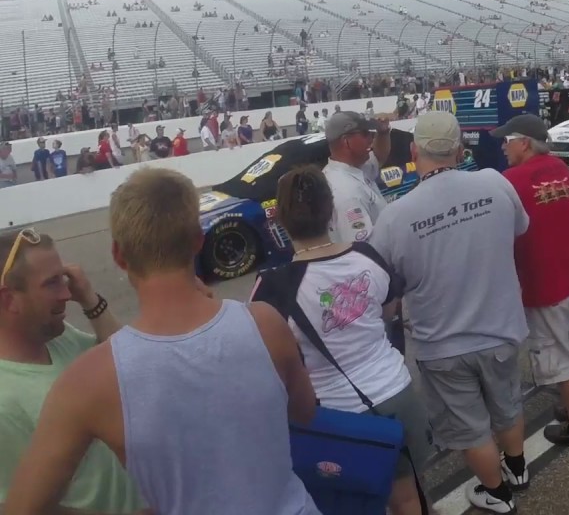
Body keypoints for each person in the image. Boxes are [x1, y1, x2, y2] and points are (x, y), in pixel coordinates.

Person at [6, 168, 320, 515]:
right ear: (198, 241)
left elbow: (22, 508)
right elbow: (304, 411)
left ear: (119, 255)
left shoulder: (86, 382)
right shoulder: (265, 323)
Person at [370, 111, 530, 514]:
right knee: (507, 405)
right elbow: (519, 227)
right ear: (460, 150)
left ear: (413, 152)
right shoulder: (495, 182)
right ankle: (517, 468)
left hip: (441, 343)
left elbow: (384, 283)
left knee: (470, 426)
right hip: (501, 328)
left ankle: (497, 492)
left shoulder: (394, 216)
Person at [253, 166, 433, 515]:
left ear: (280, 219)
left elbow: (268, 358)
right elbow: (388, 311)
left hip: (335, 418)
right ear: (331, 210)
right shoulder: (367, 256)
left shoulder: (272, 287)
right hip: (397, 394)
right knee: (408, 497)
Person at [0, 229, 146, 514]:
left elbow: (130, 365)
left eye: (65, 278)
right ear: (9, 300)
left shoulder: (58, 338)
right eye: (52, 283)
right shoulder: (4, 401)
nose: (68, 293)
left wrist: (90, 300)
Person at [493, 114, 569, 449]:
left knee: (556, 358)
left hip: (544, 280)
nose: (503, 147)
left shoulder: (511, 180)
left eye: (507, 140)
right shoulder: (559, 167)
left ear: (523, 142)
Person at [323, 111, 393, 244]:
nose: (371, 139)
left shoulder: (355, 168)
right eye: (365, 134)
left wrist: (383, 132)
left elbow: (379, 156)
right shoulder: (346, 193)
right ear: (346, 141)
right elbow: (364, 250)